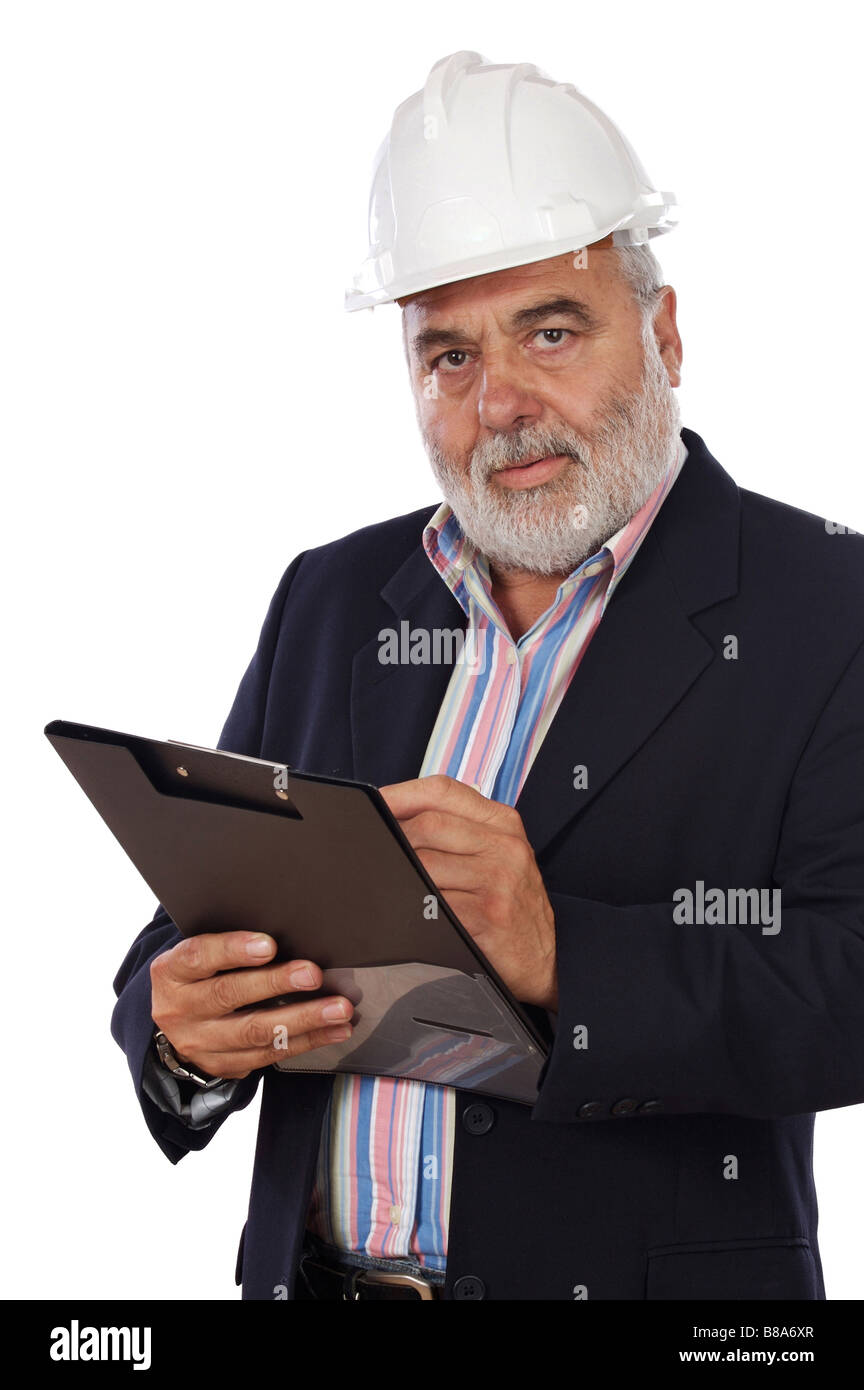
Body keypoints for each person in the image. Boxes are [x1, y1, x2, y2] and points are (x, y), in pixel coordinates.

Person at [111, 51, 864, 1301]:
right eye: (448, 355)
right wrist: (182, 1032)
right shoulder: (334, 597)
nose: (500, 401)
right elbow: (186, 925)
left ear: (665, 332)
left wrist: (566, 950)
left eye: (551, 331)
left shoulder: (827, 606)